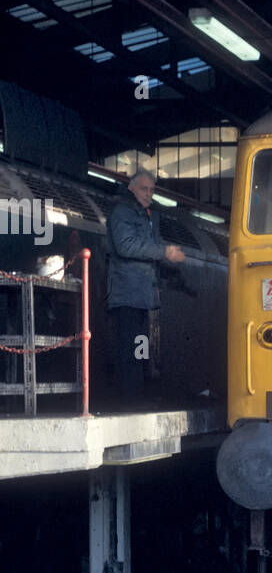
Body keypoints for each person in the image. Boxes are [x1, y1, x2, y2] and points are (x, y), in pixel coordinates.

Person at [106, 169, 184, 409]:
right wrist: (163, 252)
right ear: (131, 188)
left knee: (141, 347)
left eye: (151, 190)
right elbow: (126, 246)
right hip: (126, 293)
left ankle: (137, 395)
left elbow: (151, 247)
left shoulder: (150, 216)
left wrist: (168, 260)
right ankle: (129, 398)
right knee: (129, 347)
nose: (148, 194)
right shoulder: (122, 213)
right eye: (144, 189)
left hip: (143, 295)